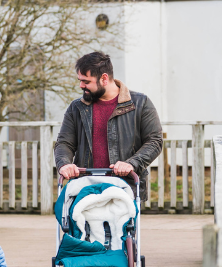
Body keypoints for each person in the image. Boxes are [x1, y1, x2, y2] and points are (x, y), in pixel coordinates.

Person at [55, 51, 163, 199]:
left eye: (86, 82)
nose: (81, 85)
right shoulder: (76, 108)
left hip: (124, 188)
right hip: (85, 188)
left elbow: (155, 141)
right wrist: (65, 164)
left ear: (104, 78)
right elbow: (64, 143)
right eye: (80, 80)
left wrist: (131, 164)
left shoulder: (140, 103)